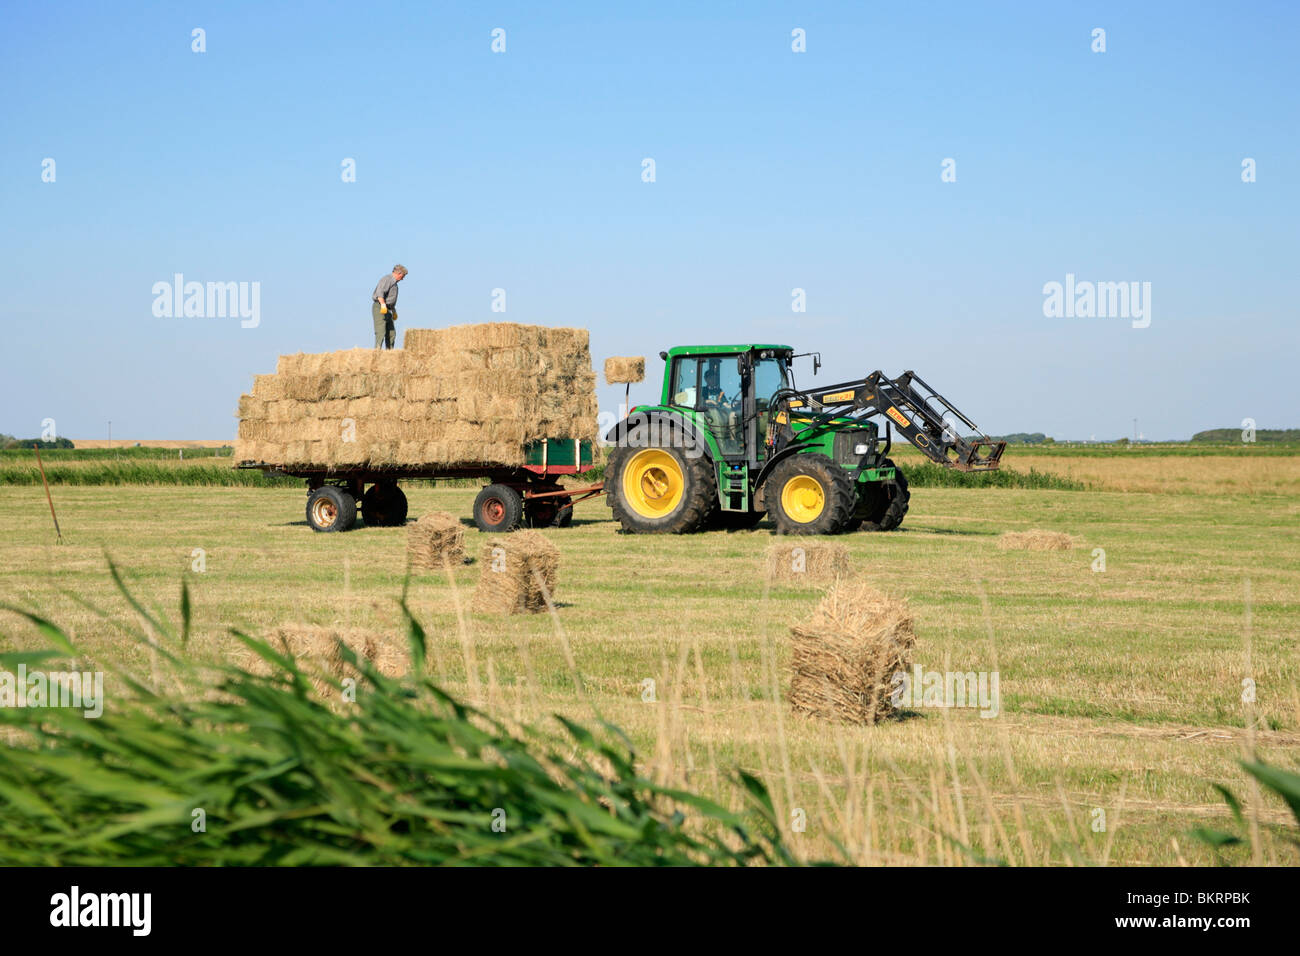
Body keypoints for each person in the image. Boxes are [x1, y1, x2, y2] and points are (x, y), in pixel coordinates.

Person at [371, 264, 408, 349]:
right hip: (380, 306)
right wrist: (383, 305)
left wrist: (393, 311)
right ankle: (377, 351)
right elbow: (380, 293)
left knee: (391, 333)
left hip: (388, 309)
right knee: (381, 330)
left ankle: (390, 353)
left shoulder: (395, 284)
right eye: (403, 276)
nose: (403, 278)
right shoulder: (387, 279)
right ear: (399, 273)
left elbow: (390, 300)